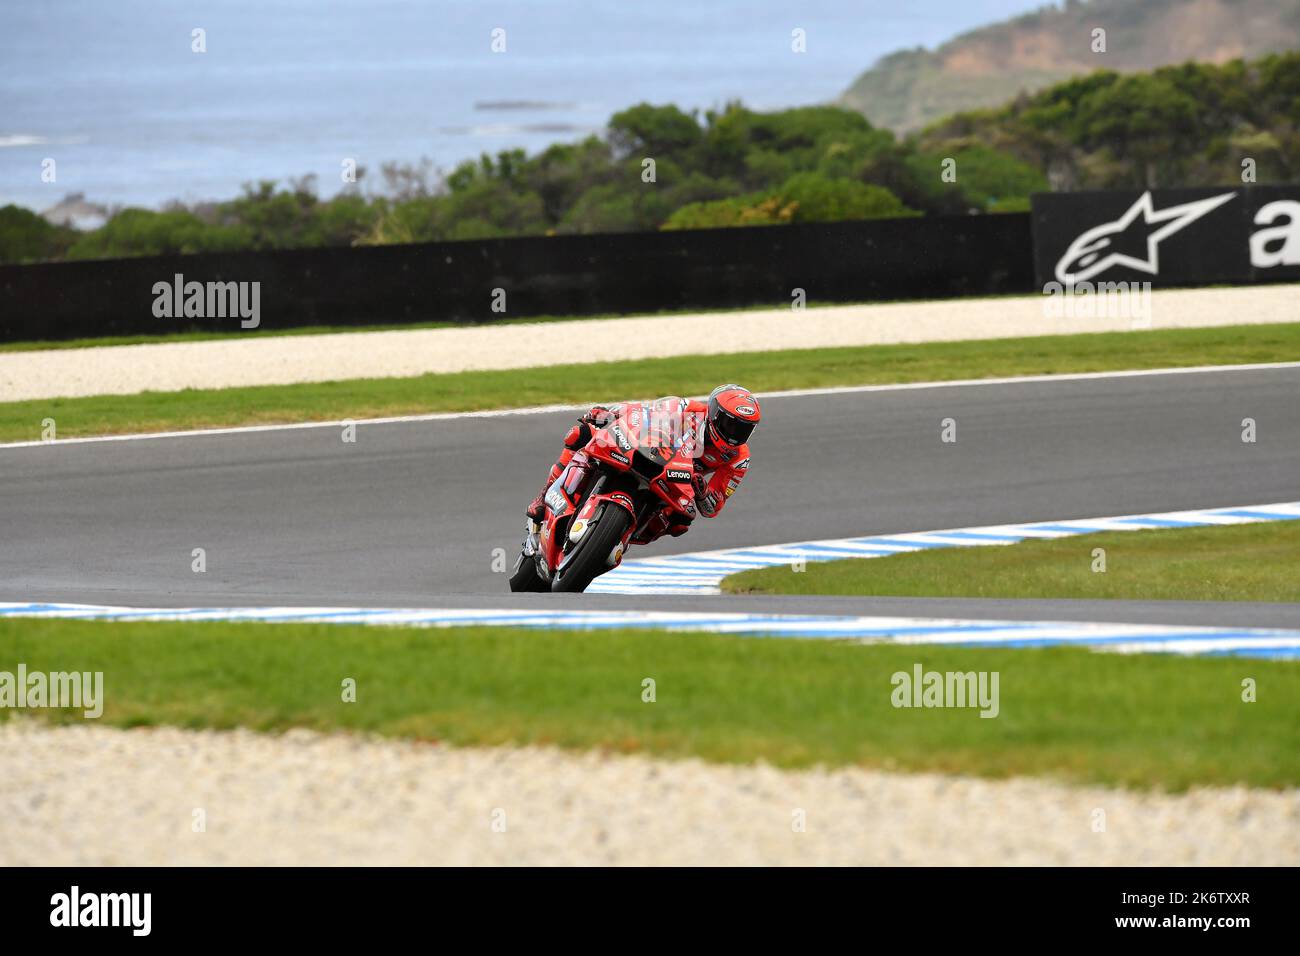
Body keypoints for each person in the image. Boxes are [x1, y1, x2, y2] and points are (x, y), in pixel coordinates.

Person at [525, 384, 761, 542]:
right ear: (714, 414)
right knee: (582, 434)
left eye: (743, 429)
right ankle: (545, 493)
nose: (734, 435)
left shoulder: (739, 459)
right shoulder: (685, 409)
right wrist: (610, 414)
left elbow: (713, 507)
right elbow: (642, 412)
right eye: (731, 425)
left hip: (678, 483)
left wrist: (701, 492)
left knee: (680, 523)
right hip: (651, 454)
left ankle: (619, 539)